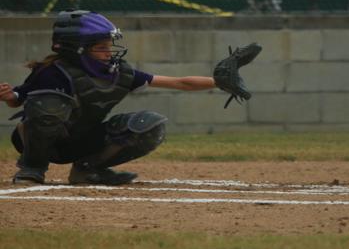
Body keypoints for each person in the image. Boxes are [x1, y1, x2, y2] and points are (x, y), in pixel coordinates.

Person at [4, 10, 220, 184]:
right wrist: (8, 95)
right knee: (49, 105)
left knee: (148, 125)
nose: (109, 53)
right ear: (76, 49)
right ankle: (32, 169)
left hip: (81, 140)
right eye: (101, 48)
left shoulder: (115, 73)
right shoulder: (52, 72)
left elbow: (179, 82)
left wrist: (220, 82)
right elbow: (18, 99)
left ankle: (86, 170)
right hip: (37, 140)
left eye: (109, 46)